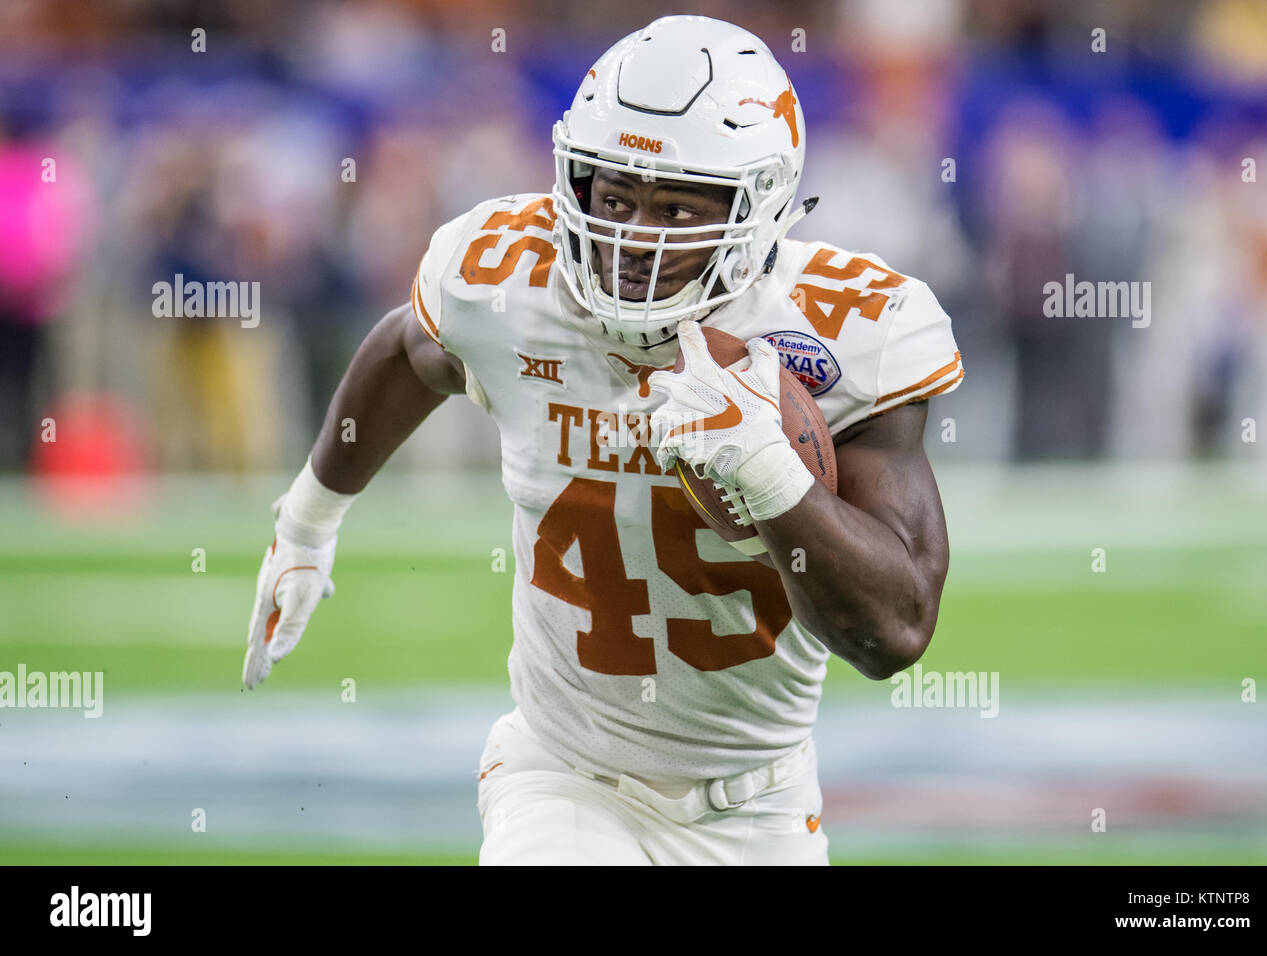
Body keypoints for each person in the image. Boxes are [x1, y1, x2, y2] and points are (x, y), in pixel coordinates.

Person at [241, 15, 964, 865]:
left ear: (759, 202)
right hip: (564, 776)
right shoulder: (513, 285)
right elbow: (408, 350)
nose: (631, 239)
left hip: (760, 803)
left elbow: (897, 631)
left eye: (677, 206)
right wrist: (308, 520)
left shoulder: (846, 337)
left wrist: (767, 474)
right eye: (614, 197)